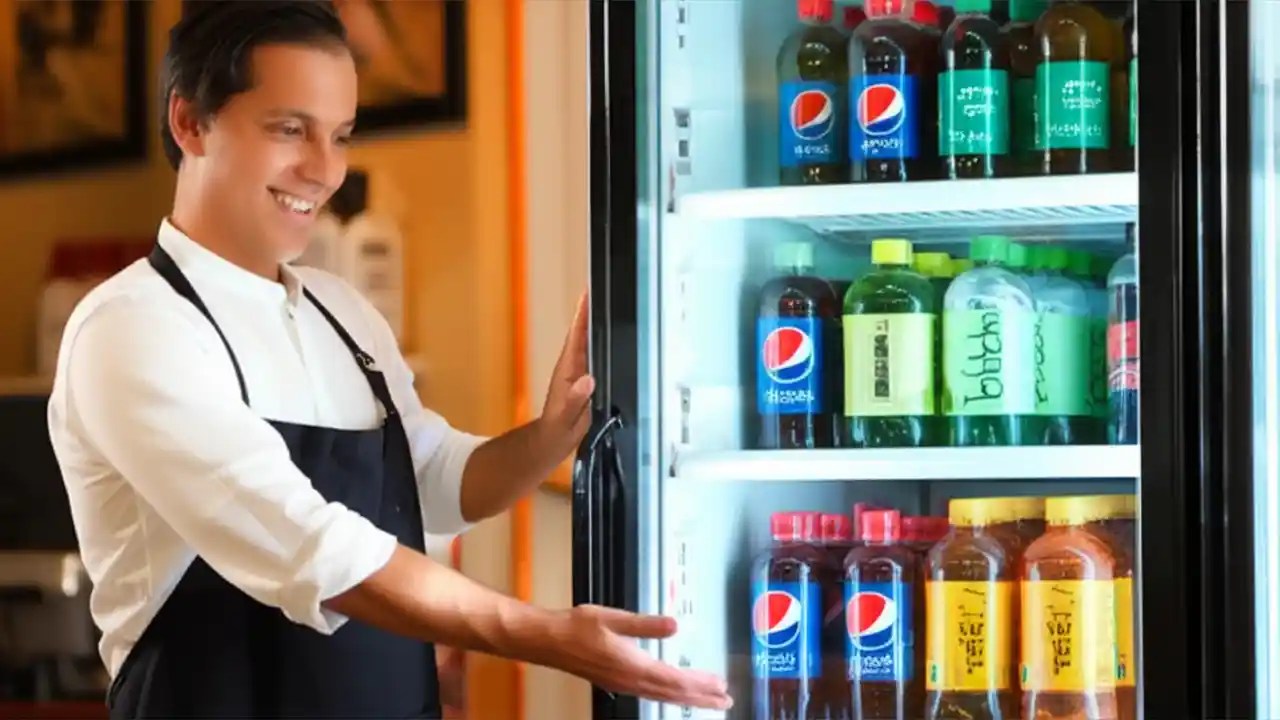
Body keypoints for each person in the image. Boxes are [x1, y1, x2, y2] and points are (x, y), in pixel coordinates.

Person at [45, 2, 732, 718]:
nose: (323, 170)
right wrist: (548, 634)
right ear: (191, 122)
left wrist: (553, 431)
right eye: (290, 130)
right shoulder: (131, 330)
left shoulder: (343, 313)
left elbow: (434, 480)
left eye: (339, 136)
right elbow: (310, 546)